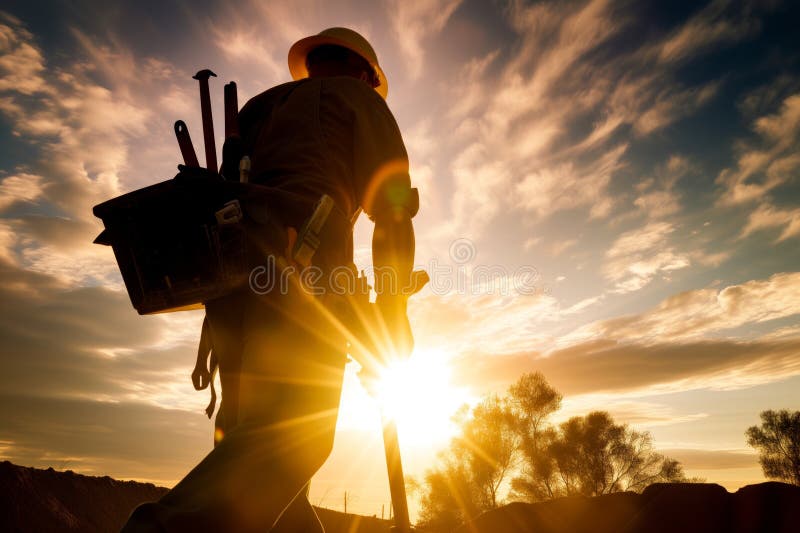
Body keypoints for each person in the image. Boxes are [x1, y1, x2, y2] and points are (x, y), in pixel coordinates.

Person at [122, 27, 417, 532]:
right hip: (304, 275)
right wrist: (391, 318)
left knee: (253, 450)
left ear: (312, 64)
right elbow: (391, 215)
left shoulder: (257, 109)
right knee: (293, 440)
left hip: (234, 287)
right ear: (366, 74)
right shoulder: (359, 101)